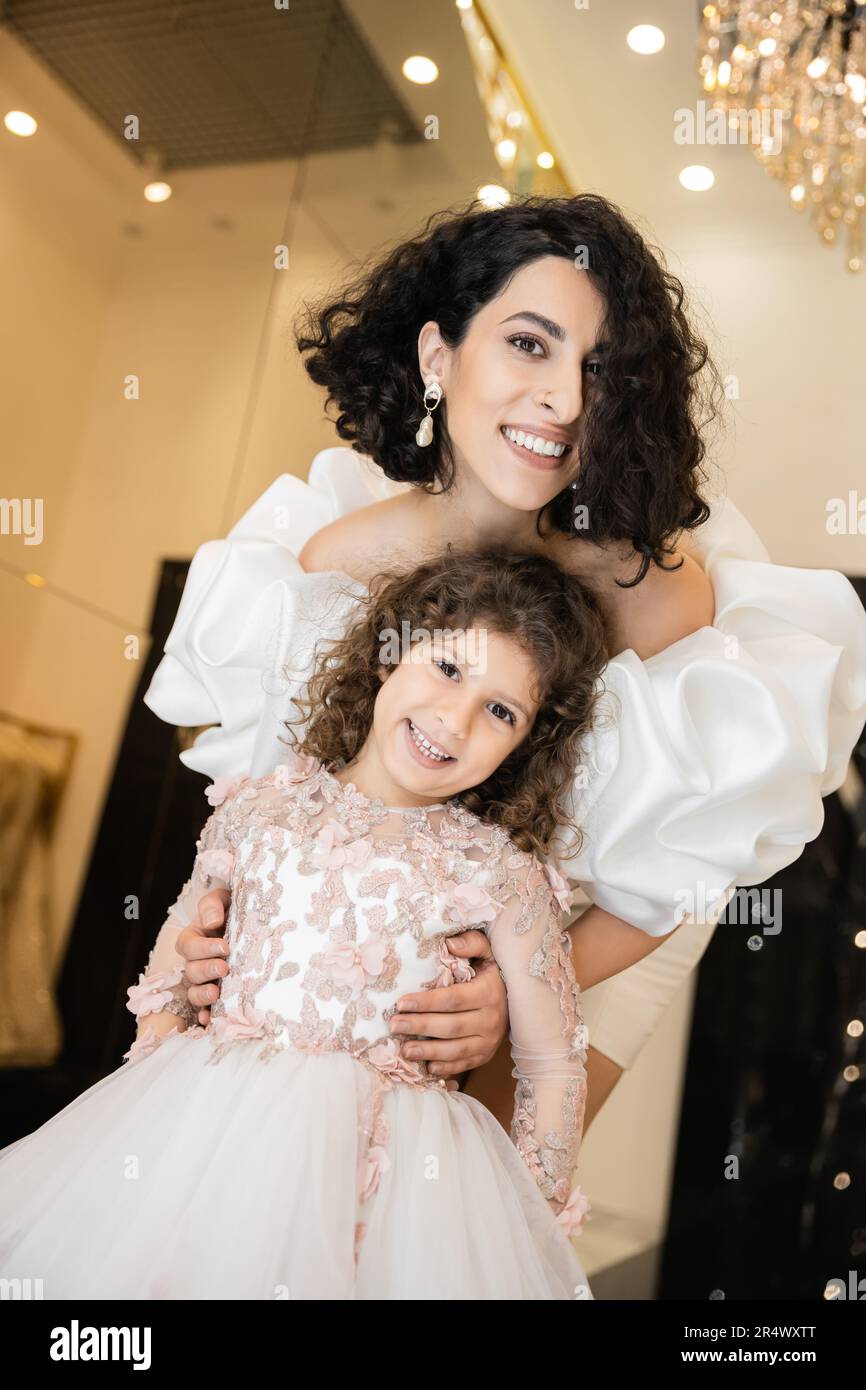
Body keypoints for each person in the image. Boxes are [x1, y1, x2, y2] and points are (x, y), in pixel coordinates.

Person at [143, 193, 866, 1133]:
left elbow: (682, 865)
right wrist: (215, 926)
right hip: (399, 905)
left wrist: (519, 986)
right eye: (530, 344)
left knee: (473, 1191)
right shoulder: (334, 569)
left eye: (598, 368)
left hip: (605, 920)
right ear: (439, 355)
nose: (565, 401)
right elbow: (283, 809)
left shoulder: (644, 590)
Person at [0, 546, 683, 1299]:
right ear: (392, 650)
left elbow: (552, 1063)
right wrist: (161, 1080)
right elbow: (170, 958)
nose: (454, 721)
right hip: (207, 1139)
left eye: (500, 711)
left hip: (393, 1184)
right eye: (448, 669)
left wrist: (529, 1215)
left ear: (526, 746)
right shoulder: (258, 808)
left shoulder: (501, 876)